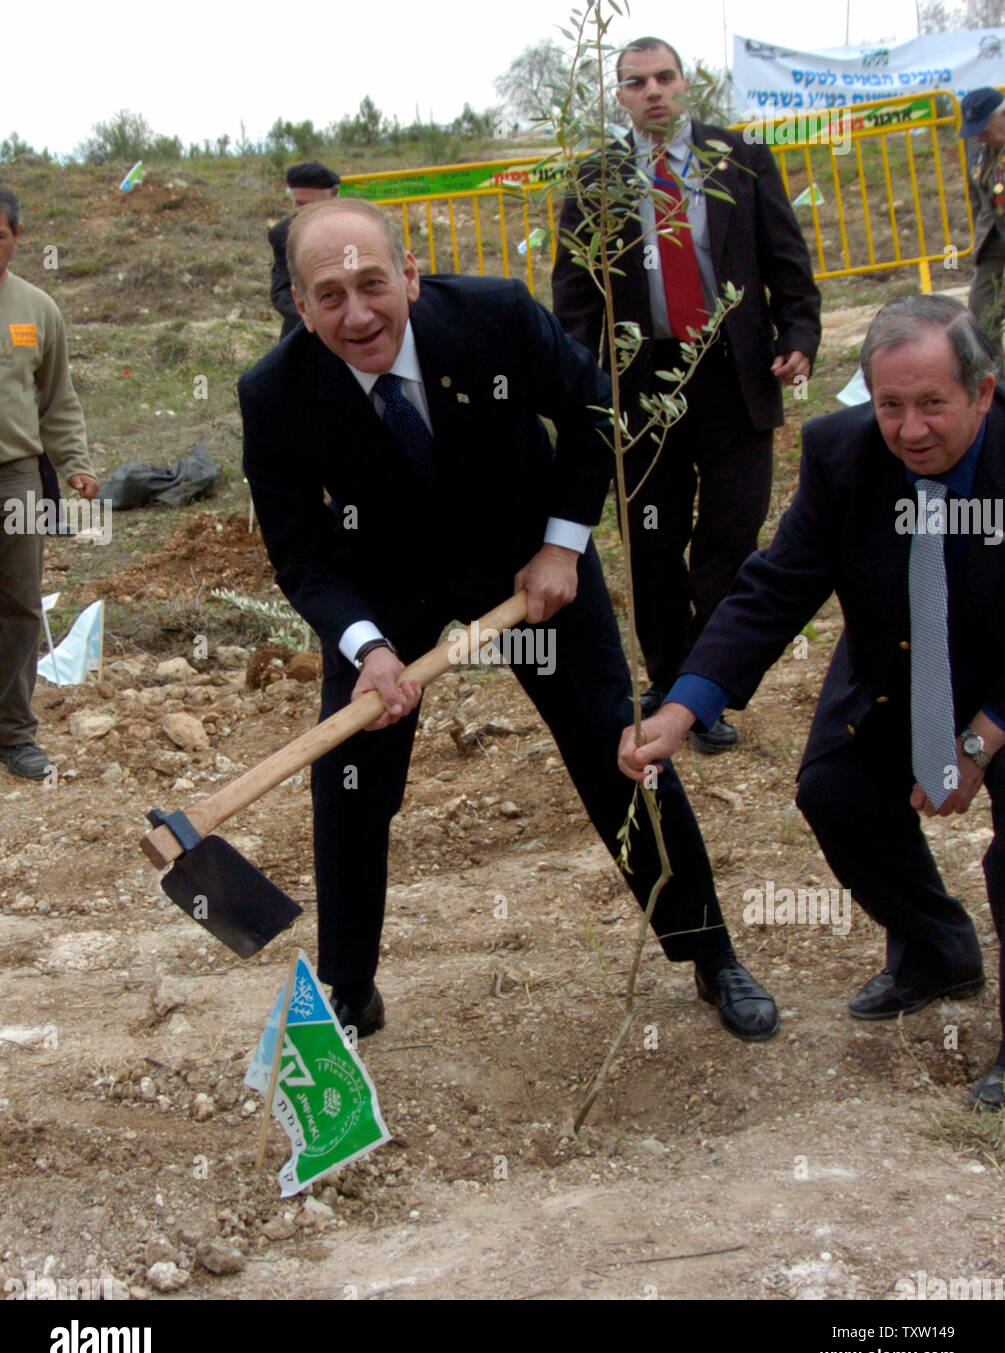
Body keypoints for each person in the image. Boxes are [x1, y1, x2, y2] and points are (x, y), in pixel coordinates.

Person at [239, 198, 778, 1043]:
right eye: (330, 295)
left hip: (532, 568)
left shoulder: (493, 318)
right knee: (346, 783)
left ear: (409, 276)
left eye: (373, 283)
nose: (358, 313)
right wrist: (367, 646)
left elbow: (598, 412)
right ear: (299, 307)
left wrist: (563, 545)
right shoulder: (275, 396)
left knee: (617, 752)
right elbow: (301, 552)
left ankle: (709, 952)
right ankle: (350, 988)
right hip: (386, 597)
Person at [619, 296, 1005, 1109]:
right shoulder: (841, 455)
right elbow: (774, 588)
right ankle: (937, 954)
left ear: (981, 392)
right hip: (905, 659)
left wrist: (974, 745)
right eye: (890, 405)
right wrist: (683, 708)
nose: (909, 430)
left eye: (933, 403)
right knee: (836, 790)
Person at [552, 35, 821, 752]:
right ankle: (667, 677)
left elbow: (783, 258)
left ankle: (707, 689)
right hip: (642, 387)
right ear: (620, 96)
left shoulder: (741, 158)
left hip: (734, 375)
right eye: (636, 82)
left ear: (686, 83)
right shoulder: (595, 179)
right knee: (651, 540)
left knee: (731, 532)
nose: (653, 92)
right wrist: (587, 381)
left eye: (664, 78)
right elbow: (575, 294)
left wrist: (798, 331)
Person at [0, 186, 98, 781]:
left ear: (15, 236)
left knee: (17, 604)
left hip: (16, 480)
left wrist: (75, 461)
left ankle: (14, 733)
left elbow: (57, 398)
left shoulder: (37, 309)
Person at [268, 161, 340, 339]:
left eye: (314, 205)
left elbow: (353, 270)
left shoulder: (352, 230)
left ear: (334, 195)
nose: (305, 212)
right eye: (300, 204)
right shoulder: (282, 235)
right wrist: (316, 318)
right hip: (305, 327)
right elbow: (282, 292)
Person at [960, 86, 1005, 367]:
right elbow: (977, 196)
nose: (980, 136)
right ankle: (997, 388)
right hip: (994, 242)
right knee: (982, 316)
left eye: (985, 129)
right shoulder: (980, 145)